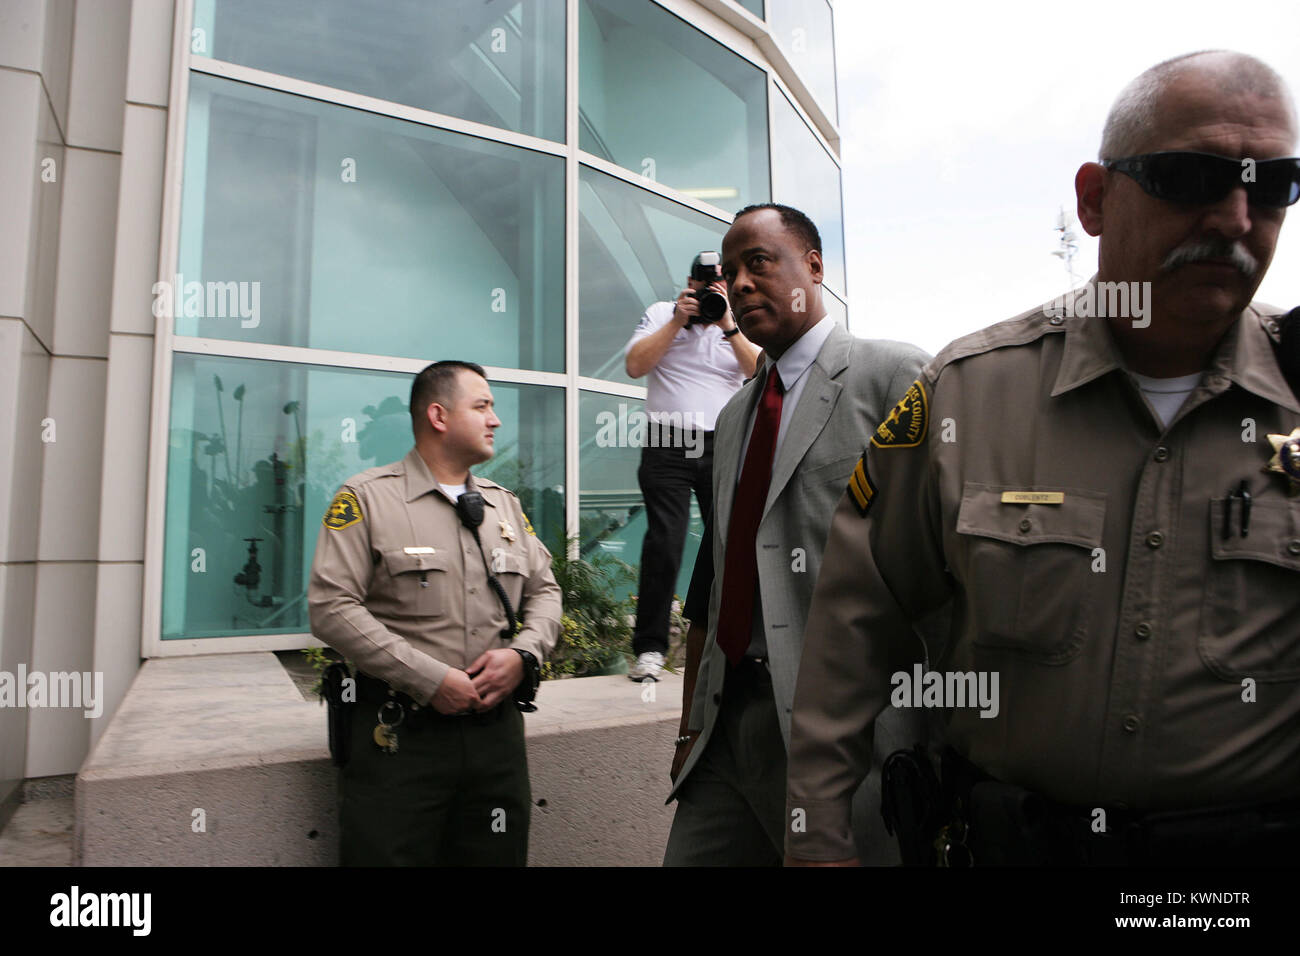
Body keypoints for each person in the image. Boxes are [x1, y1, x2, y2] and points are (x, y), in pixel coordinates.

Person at [785, 50, 1300, 867]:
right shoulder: (964, 397)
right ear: (1094, 200)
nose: (1237, 218)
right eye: (1190, 177)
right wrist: (817, 835)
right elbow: (854, 626)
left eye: (1272, 184)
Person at [663, 203, 931, 865]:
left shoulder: (895, 376)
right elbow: (720, 584)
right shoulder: (731, 420)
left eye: (759, 262)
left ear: (813, 265)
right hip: (727, 732)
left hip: (842, 737)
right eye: (731, 272)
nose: (742, 283)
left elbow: (957, 565)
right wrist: (693, 725)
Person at [308, 360, 562, 866]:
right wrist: (429, 679)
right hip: (400, 739)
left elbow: (546, 591)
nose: (496, 420)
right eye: (483, 406)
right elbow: (331, 608)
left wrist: (523, 655)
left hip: (496, 740)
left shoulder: (503, 507)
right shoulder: (366, 499)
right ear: (439, 416)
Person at [625, 253, 760, 682]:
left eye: (721, 282)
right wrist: (676, 324)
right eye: (706, 283)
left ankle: (733, 642)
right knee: (666, 541)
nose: (712, 290)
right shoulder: (663, 313)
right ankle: (650, 649)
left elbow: (761, 371)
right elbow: (634, 366)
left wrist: (728, 325)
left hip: (723, 442)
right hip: (668, 441)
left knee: (730, 540)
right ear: (689, 283)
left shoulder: (735, 321)